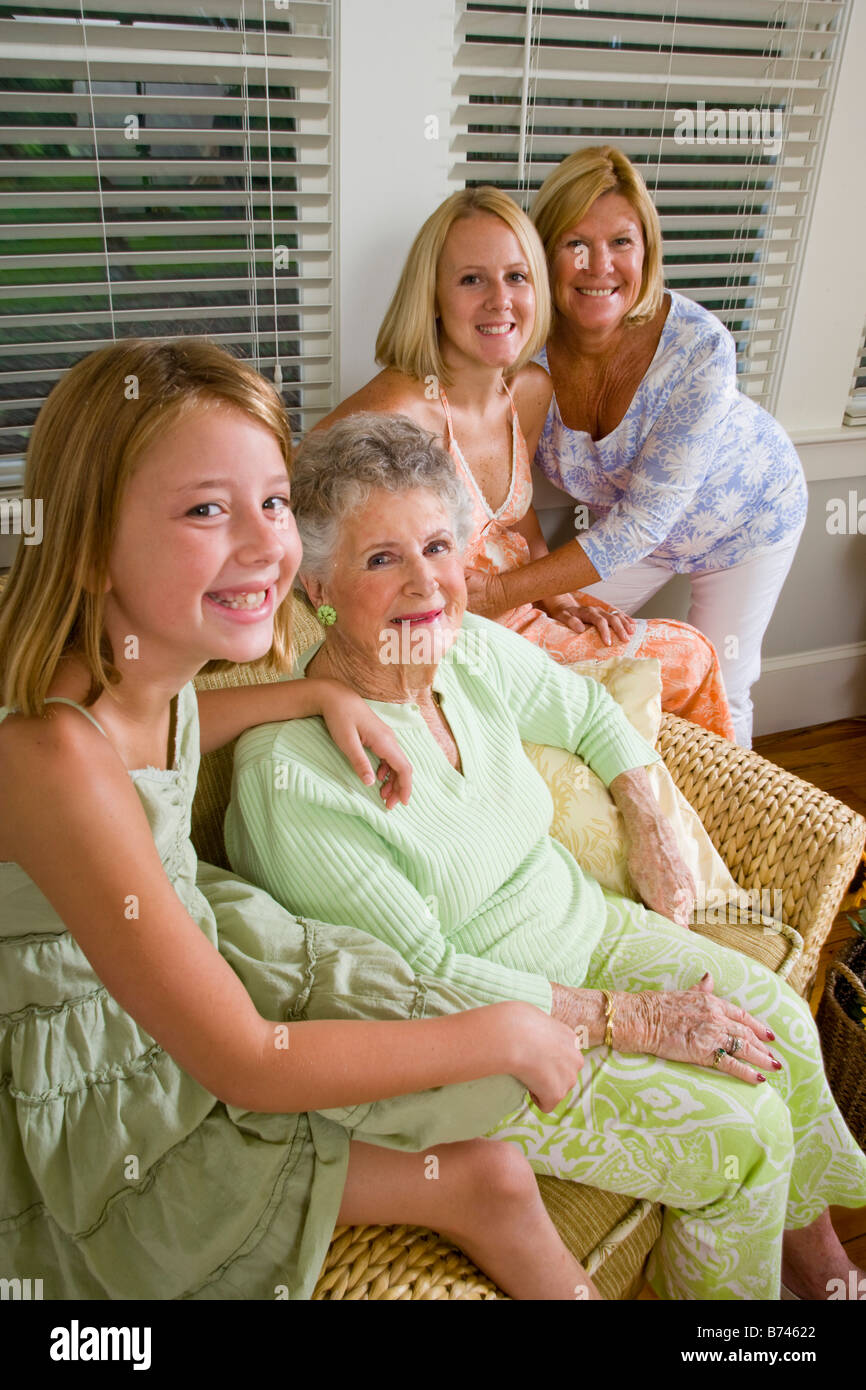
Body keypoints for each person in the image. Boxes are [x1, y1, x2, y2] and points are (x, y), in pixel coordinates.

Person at [0, 337, 605, 1302]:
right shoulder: (51, 758)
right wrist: (507, 1029)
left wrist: (311, 699)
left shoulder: (138, 674)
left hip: (171, 980)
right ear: (84, 543)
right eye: (205, 509)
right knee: (491, 1168)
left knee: (457, 1100)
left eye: (274, 502)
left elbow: (178, 732)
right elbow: (243, 1061)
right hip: (112, 1081)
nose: (266, 544)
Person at [226, 411, 866, 1301]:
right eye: (383, 560)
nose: (428, 585)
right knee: (743, 1128)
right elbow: (422, 984)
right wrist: (631, 1020)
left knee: (788, 1028)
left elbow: (593, 716)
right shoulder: (291, 779)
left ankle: (823, 1276)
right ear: (317, 587)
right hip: (476, 1048)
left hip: (589, 931)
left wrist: (648, 822)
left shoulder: (467, 653)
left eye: (440, 547)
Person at [318, 185, 735, 741]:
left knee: (691, 655)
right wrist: (337, 629)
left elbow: (515, 517)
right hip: (461, 644)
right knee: (689, 656)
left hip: (520, 612)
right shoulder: (398, 411)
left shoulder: (529, 389)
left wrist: (556, 596)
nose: (500, 301)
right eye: (472, 280)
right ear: (432, 297)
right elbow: (298, 518)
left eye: (516, 277)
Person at [487, 145, 807, 748]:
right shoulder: (520, 344)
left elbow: (643, 521)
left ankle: (732, 832)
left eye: (621, 242)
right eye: (575, 242)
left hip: (750, 520)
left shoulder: (701, 347)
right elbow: (511, 486)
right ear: (544, 251)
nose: (598, 265)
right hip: (636, 535)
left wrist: (498, 590)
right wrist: (546, 591)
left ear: (647, 250)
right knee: (565, 643)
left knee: (726, 684)